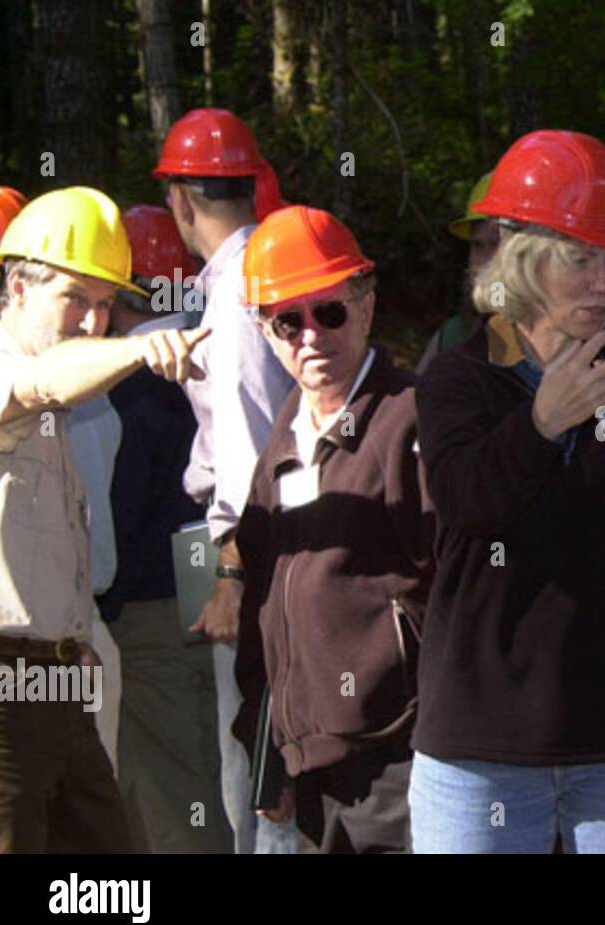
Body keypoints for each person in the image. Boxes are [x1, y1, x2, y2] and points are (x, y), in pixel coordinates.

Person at [411, 130, 605, 853]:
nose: (602, 281)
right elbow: (468, 506)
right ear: (521, 260)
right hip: (480, 751)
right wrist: (542, 421)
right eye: (580, 257)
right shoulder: (459, 378)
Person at [0, 186, 208, 853]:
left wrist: (72, 635)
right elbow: (45, 382)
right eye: (75, 298)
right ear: (19, 288)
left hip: (58, 680)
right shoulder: (26, 374)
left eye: (105, 304)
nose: (94, 322)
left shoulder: (64, 391)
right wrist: (142, 350)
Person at [234, 206, 434, 853]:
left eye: (330, 311)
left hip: (401, 762)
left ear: (367, 306)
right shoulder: (284, 440)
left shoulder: (411, 419)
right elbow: (262, 608)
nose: (311, 335)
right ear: (267, 333)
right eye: (288, 320)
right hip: (315, 771)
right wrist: (269, 746)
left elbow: (462, 585)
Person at [154, 106, 297, 853]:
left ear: (180, 199)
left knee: (254, 755)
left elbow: (247, 445)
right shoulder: (256, 268)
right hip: (257, 533)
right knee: (255, 746)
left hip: (246, 541)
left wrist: (232, 573)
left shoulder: (233, 292)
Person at [96, 204, 230, 853]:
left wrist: (97, 609)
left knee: (167, 790)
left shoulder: (127, 380)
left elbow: (114, 522)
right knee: (205, 768)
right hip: (207, 588)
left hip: (144, 609)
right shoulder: (216, 347)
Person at [416, 171, 501, 371]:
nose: (485, 261)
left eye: (497, 244)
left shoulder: (564, 336)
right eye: (478, 245)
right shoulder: (453, 336)